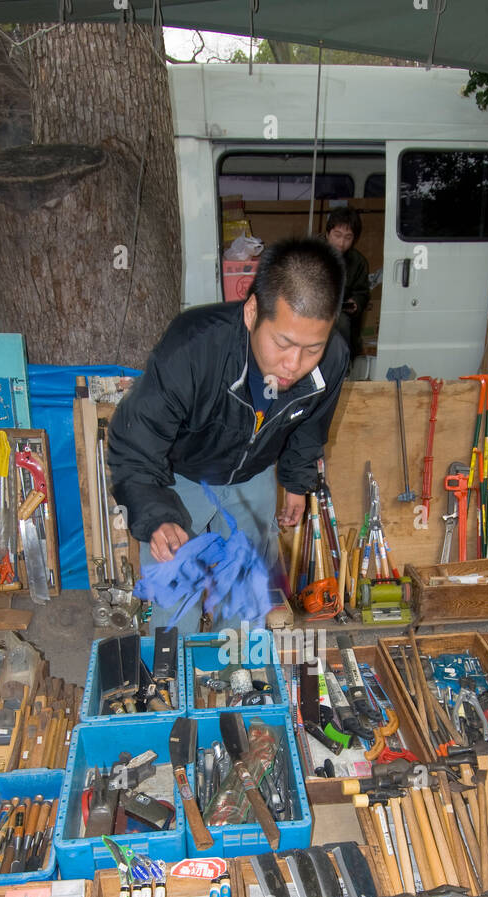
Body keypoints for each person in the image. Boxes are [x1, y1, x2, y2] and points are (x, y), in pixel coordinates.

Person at [107, 236, 348, 634]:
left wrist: (294, 482)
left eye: (311, 349)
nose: (294, 365)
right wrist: (155, 516)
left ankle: (233, 682)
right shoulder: (193, 347)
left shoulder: (333, 359)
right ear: (253, 311)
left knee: (244, 599)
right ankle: (171, 687)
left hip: (251, 475)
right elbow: (134, 443)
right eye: (283, 343)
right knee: (174, 597)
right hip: (180, 477)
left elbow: (310, 426)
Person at [325, 207, 370, 358]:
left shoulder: (358, 262)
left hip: (340, 313)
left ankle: (343, 367)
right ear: (327, 233)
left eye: (348, 237)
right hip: (311, 310)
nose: (341, 242)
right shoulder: (311, 253)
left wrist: (355, 303)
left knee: (342, 322)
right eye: (337, 235)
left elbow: (362, 292)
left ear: (354, 239)